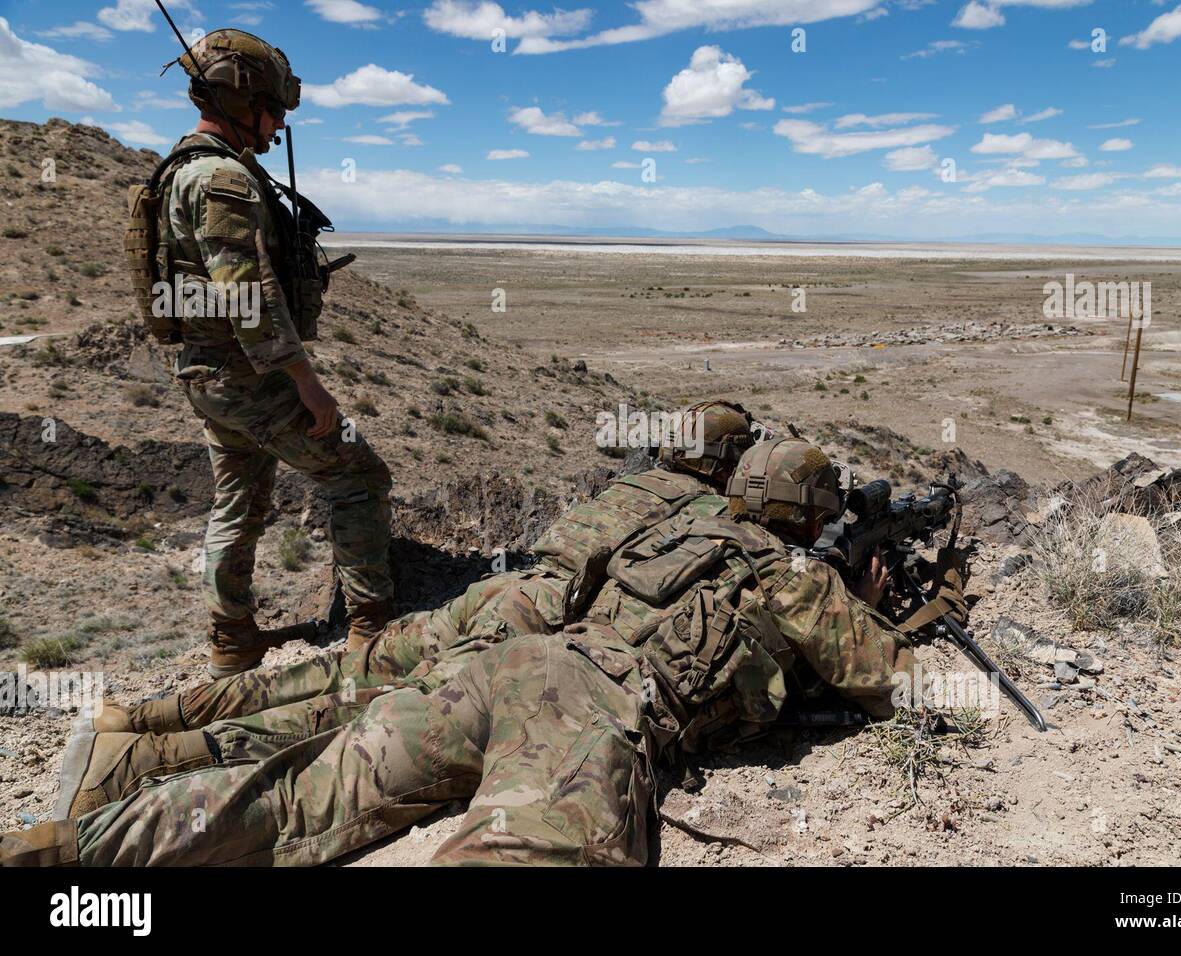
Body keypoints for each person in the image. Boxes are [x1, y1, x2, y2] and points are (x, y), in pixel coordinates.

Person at [3, 437, 943, 867]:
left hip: (499, 666)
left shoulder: (672, 534)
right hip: (585, 709)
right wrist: (874, 613)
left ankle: (62, 852)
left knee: (298, 795)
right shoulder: (798, 581)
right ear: (815, 521)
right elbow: (897, 687)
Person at [51, 403, 759, 820]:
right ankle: (145, 764)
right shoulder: (701, 511)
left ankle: (139, 720)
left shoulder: (632, 484)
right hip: (530, 613)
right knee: (364, 709)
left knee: (336, 670)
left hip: (490, 594)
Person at [133, 28, 394, 678]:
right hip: (251, 377)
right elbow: (246, 295)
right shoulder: (221, 179)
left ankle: (233, 638)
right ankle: (371, 632)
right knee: (359, 474)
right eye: (273, 108)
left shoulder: (182, 172)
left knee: (240, 499)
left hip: (207, 376)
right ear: (239, 98)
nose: (279, 124)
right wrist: (306, 383)